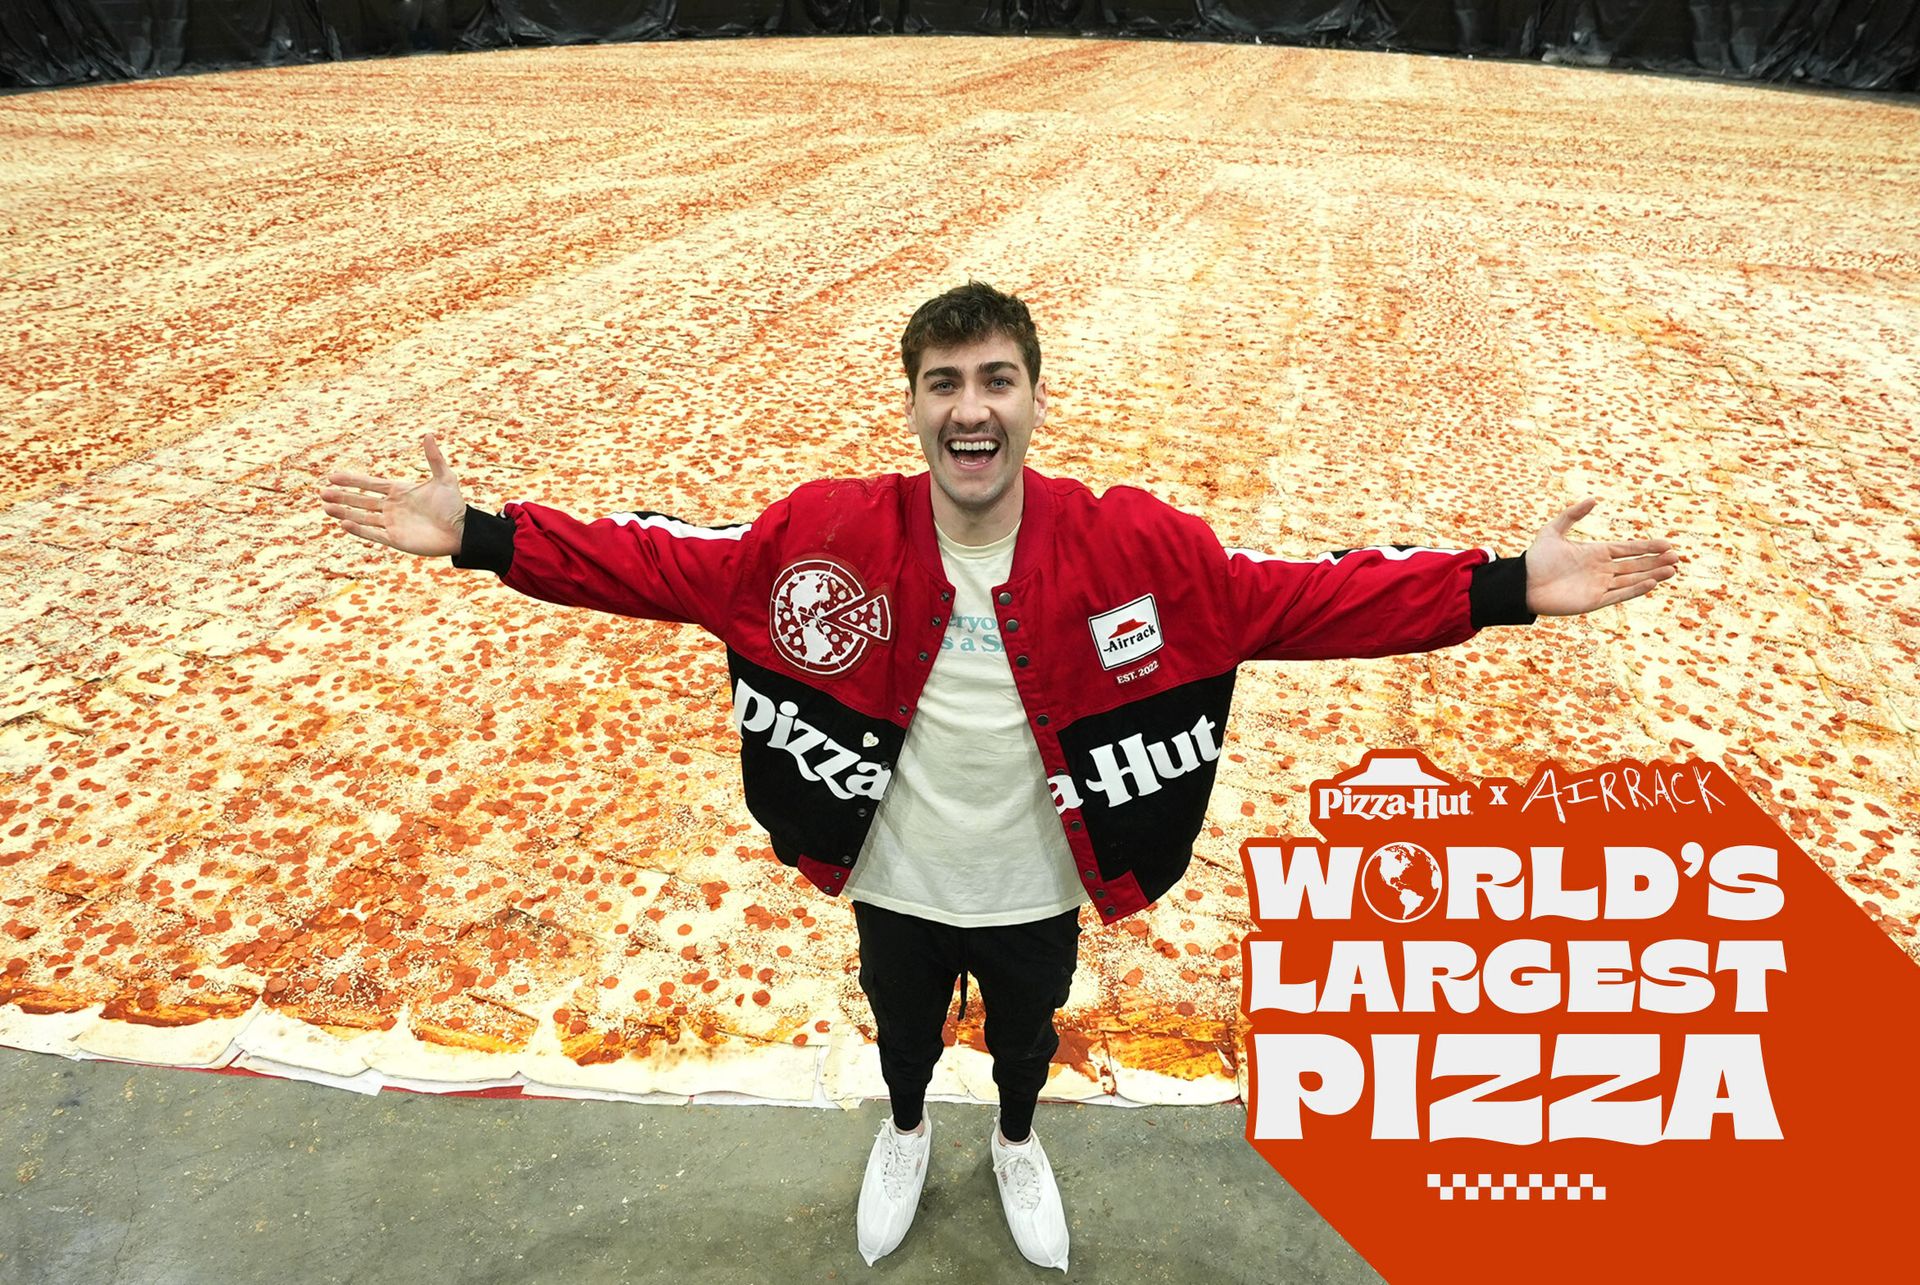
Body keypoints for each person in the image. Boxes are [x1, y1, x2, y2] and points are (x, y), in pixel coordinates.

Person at [319, 281, 1678, 1271]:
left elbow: (1312, 600)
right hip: (893, 876)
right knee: (902, 1027)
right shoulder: (819, 533)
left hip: (1042, 882)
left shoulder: (1140, 547)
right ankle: (906, 1124)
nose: (972, 409)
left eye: (996, 380)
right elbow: (657, 566)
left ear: (1033, 399)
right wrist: (485, 536)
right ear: (914, 409)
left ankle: (1019, 1137)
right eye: (944, 383)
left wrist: (1506, 586)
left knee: (1026, 1035)